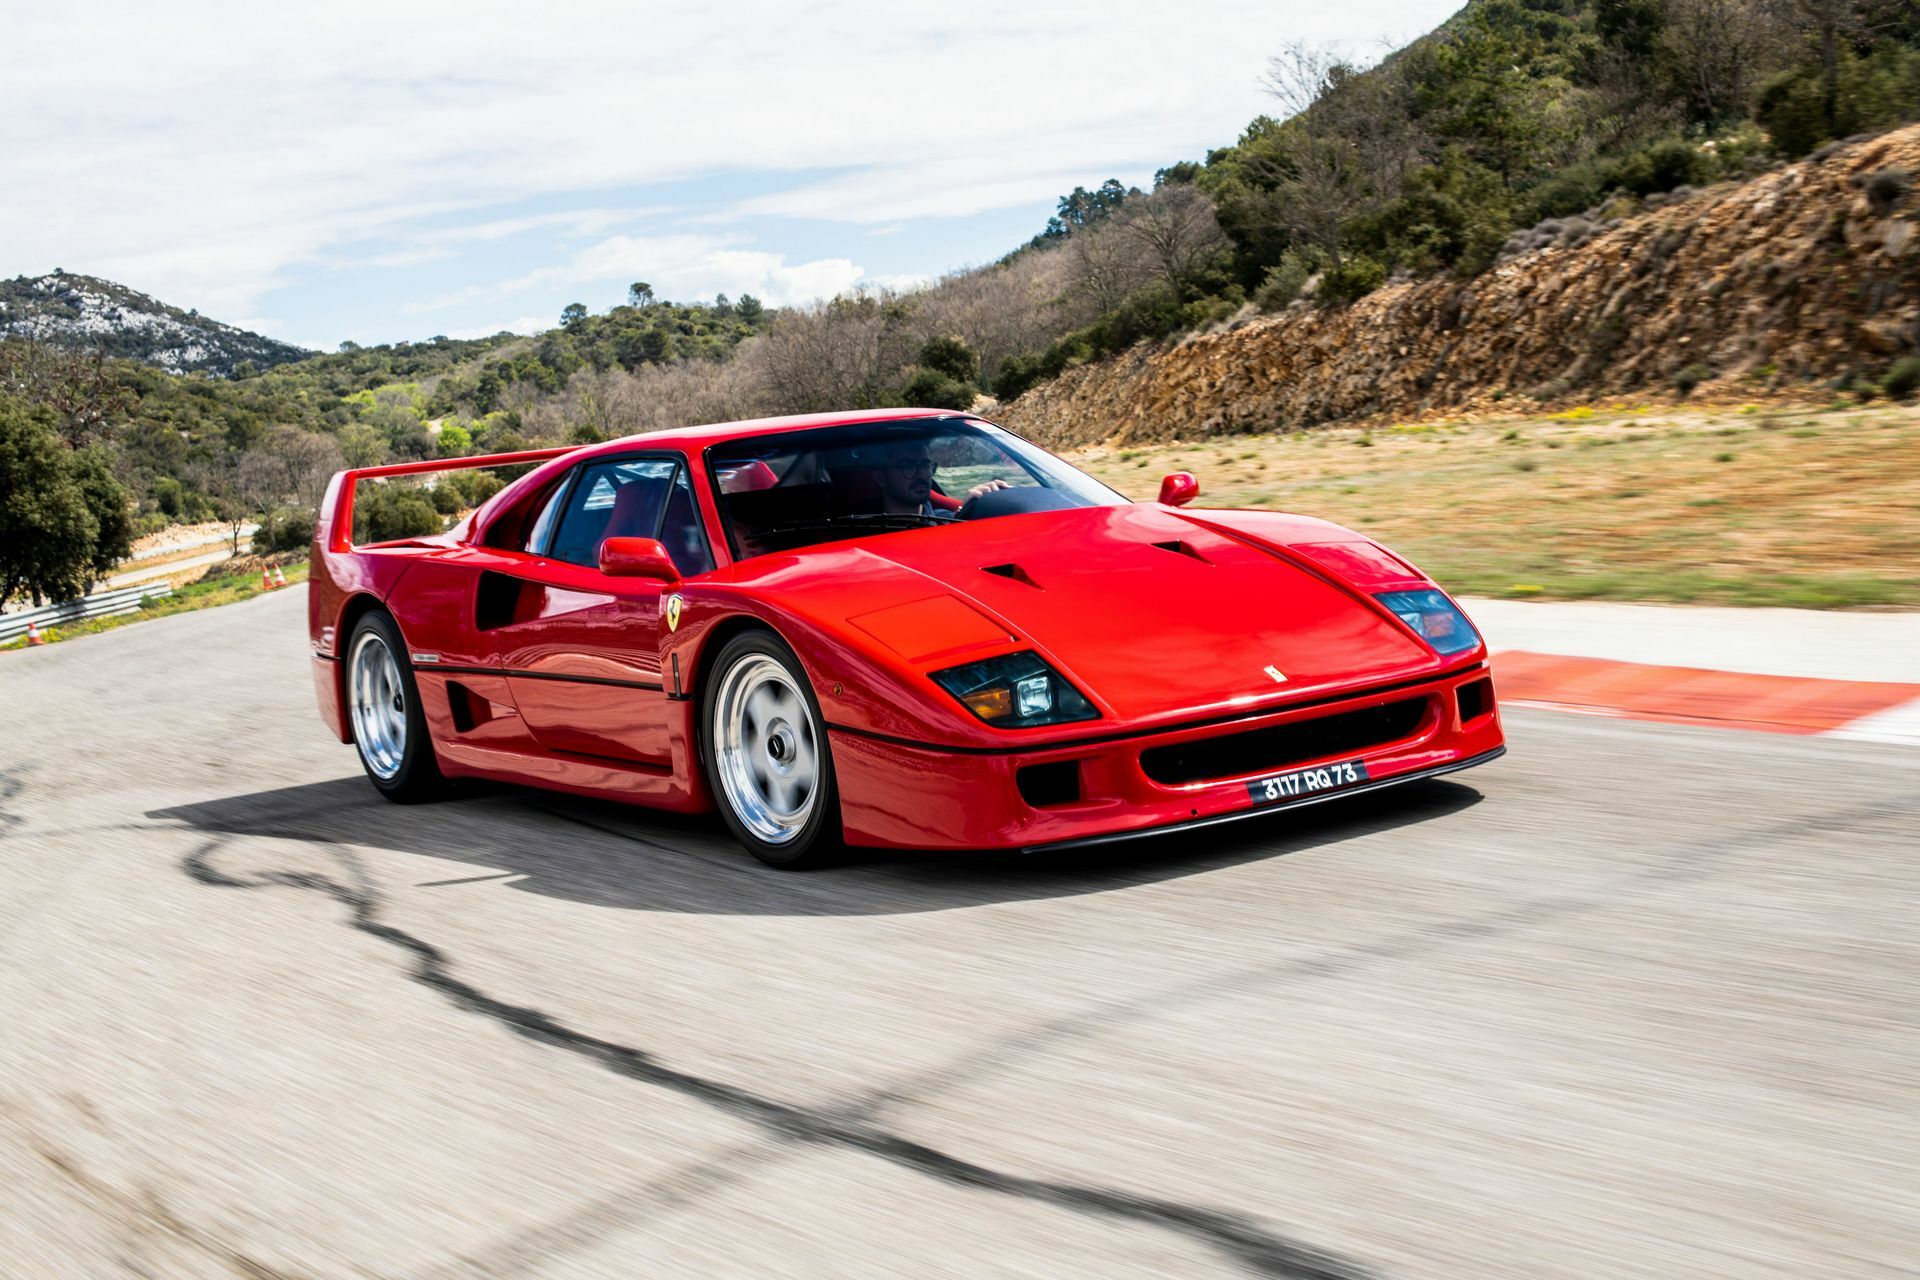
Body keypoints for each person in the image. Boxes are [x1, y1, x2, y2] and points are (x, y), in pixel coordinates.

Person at [865, 438, 1009, 516]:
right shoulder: (858, 534)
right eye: (907, 466)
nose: (921, 474)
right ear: (880, 478)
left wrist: (971, 509)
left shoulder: (948, 522)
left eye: (925, 465)